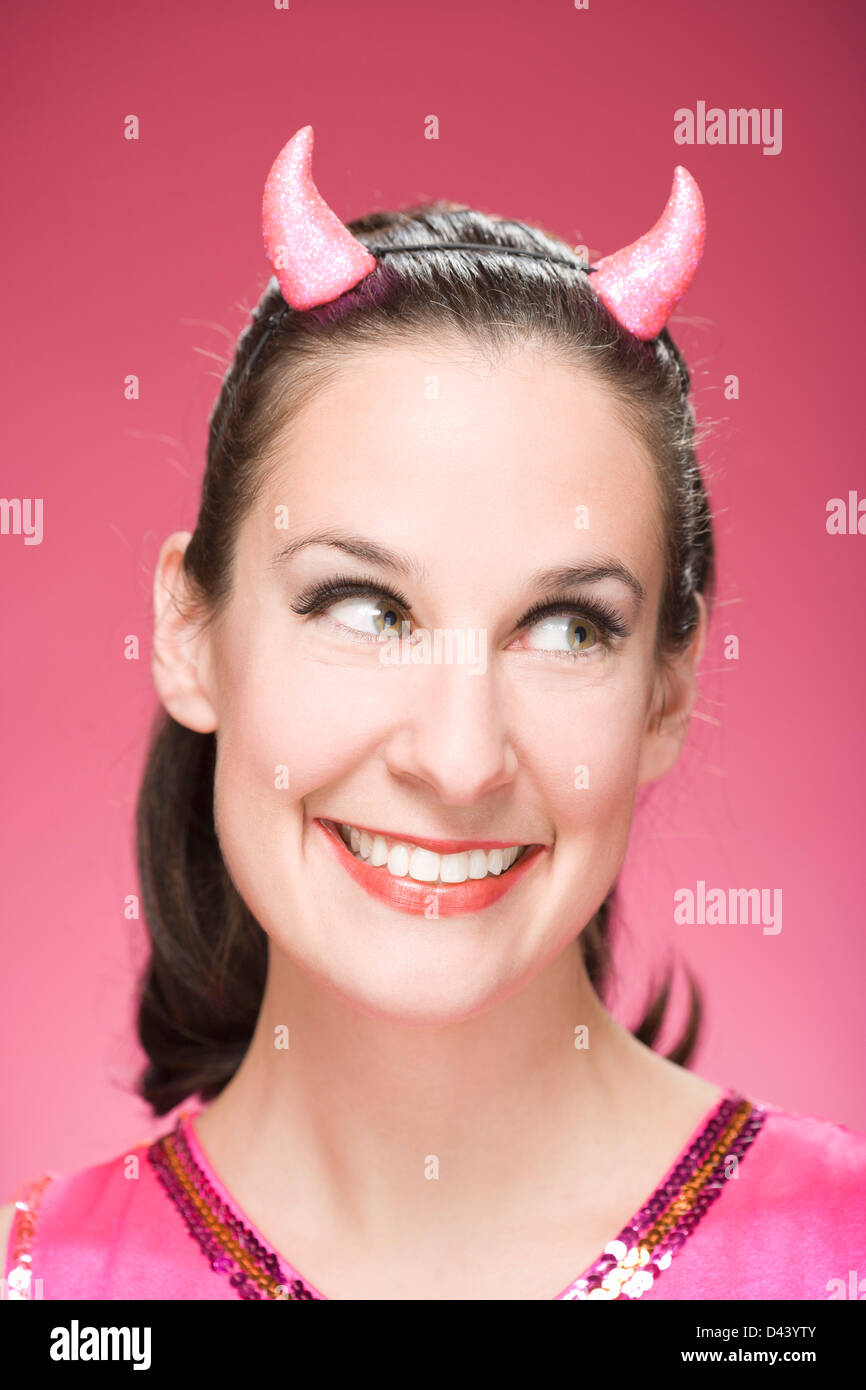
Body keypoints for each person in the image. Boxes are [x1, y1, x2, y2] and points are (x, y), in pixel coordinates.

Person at [4, 127, 865, 1302]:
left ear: (666, 691)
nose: (458, 760)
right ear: (190, 631)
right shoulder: (44, 1289)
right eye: (362, 606)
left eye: (567, 628)